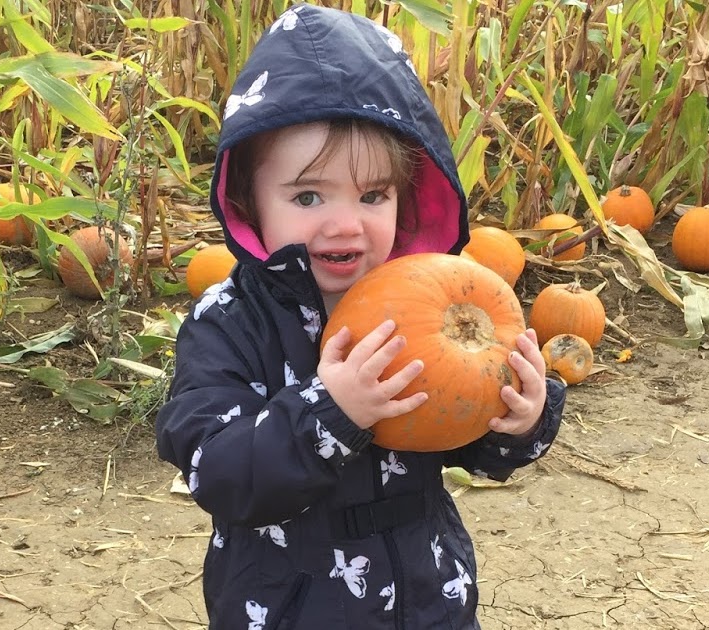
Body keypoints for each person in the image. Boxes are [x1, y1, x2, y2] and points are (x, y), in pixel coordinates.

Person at [156, 5, 566, 628]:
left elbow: (463, 439)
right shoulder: (232, 322)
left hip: (428, 594)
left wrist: (519, 421)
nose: (346, 222)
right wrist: (329, 412)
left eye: (373, 195)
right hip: (290, 604)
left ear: (407, 199)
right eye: (308, 196)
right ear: (248, 202)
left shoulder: (422, 298)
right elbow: (217, 471)